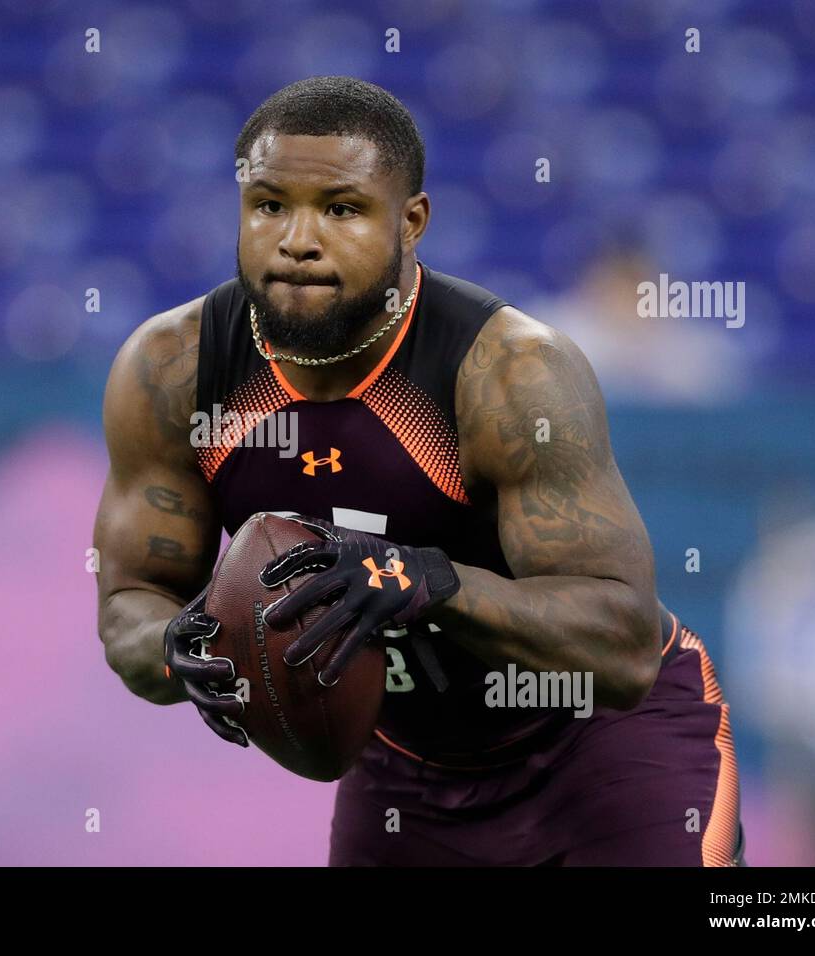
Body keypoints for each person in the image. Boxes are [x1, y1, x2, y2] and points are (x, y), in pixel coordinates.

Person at [93, 76, 744, 866]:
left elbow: (624, 648)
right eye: (269, 205)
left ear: (412, 222)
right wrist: (178, 644)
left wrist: (429, 580)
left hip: (602, 754)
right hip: (406, 775)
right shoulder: (170, 369)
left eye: (341, 209)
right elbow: (128, 602)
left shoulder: (511, 372)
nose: (298, 239)